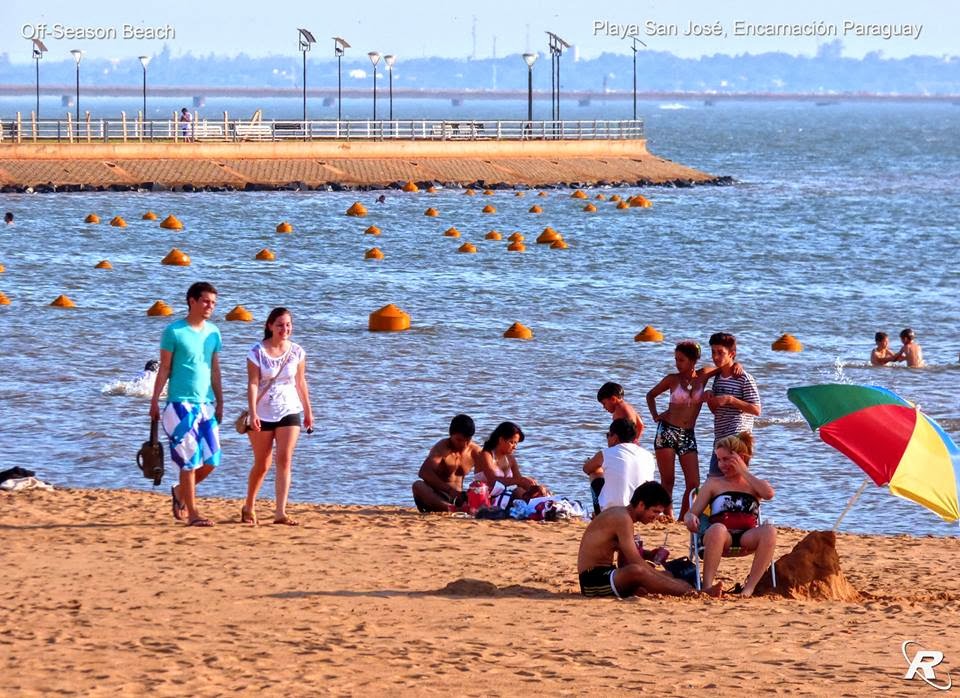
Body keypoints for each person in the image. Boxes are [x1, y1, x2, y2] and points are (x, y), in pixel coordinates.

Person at [150, 281, 223, 527]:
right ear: (192, 301)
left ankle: (180, 492)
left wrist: (220, 401)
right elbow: (164, 369)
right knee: (189, 461)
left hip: (206, 405)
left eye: (213, 303)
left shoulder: (213, 332)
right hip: (179, 405)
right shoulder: (174, 331)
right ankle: (193, 514)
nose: (210, 306)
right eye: (206, 301)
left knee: (212, 460)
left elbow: (215, 370)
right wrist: (154, 401)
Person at [577, 481, 721, 598]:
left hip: (607, 573)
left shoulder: (622, 515)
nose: (656, 517)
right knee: (637, 571)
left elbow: (622, 549)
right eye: (655, 511)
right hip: (592, 579)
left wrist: (649, 555)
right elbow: (635, 561)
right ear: (641, 505)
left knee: (663, 575)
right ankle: (696, 593)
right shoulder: (622, 519)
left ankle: (683, 589)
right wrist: (661, 578)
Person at [241, 307, 314, 526]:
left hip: (289, 410)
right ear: (270, 326)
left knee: (285, 459)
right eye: (280, 325)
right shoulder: (257, 352)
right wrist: (253, 411)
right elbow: (253, 383)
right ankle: (249, 505)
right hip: (262, 413)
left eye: (288, 325)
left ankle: (280, 512)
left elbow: (300, 382)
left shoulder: (297, 351)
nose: (285, 329)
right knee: (263, 464)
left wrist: (308, 411)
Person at [684, 432, 776, 598]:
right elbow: (691, 513)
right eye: (719, 460)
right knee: (718, 529)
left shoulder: (753, 484)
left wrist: (744, 471)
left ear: (740, 458)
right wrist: (690, 518)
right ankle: (707, 587)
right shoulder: (714, 483)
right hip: (720, 536)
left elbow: (769, 494)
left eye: (726, 459)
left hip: (746, 537)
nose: (721, 465)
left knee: (770, 531)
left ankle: (749, 589)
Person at [646, 340, 720, 521]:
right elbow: (651, 395)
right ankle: (667, 515)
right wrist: (655, 415)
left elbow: (725, 366)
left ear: (693, 361)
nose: (677, 364)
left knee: (694, 483)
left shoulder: (704, 375)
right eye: (676, 359)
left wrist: (738, 366)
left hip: (688, 434)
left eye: (681, 360)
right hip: (667, 431)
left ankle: (682, 519)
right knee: (668, 480)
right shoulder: (672, 379)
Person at [702, 332, 761, 477]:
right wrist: (710, 398)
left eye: (720, 353)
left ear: (732, 354)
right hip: (720, 438)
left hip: (737, 438)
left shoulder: (744, 378)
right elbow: (716, 411)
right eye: (713, 352)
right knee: (715, 480)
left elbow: (756, 410)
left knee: (729, 481)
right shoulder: (717, 378)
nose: (715, 357)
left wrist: (731, 400)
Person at [583, 418, 655, 515]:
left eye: (608, 435)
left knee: (595, 472)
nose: (607, 438)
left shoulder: (606, 453)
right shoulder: (648, 455)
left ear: (615, 437)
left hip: (613, 512)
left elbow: (586, 469)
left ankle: (598, 513)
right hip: (643, 511)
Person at [412, 414, 482, 512]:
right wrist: (449, 490)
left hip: (458, 497)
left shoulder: (475, 451)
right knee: (417, 485)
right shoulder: (441, 448)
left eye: (468, 440)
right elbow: (424, 472)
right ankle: (453, 509)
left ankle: (460, 508)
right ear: (450, 435)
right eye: (459, 440)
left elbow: (489, 472)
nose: (464, 444)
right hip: (437, 495)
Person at [475, 421, 548, 502]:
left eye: (516, 443)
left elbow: (520, 482)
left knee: (538, 490)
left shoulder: (510, 459)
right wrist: (520, 480)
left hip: (504, 497)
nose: (515, 447)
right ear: (501, 440)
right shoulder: (486, 455)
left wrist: (534, 487)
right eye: (512, 442)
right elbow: (493, 481)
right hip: (486, 498)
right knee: (518, 491)